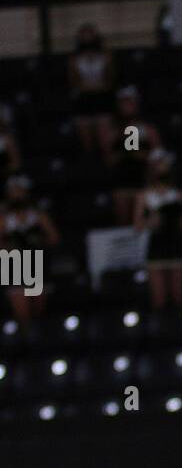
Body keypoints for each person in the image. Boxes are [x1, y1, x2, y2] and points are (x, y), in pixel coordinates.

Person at [133, 150, 182, 310]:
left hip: (175, 244)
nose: (161, 169)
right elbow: (137, 225)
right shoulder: (144, 195)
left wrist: (178, 217)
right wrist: (150, 221)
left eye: (164, 165)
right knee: (158, 297)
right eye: (158, 165)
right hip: (156, 246)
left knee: (178, 294)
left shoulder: (178, 194)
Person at [0, 174, 60, 324]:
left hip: (36, 261)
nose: (17, 194)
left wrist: (37, 240)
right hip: (14, 264)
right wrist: (12, 246)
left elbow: (54, 238)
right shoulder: (4, 218)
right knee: (23, 315)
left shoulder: (38, 216)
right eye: (13, 191)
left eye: (20, 191)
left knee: (38, 313)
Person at [108, 87, 163, 224]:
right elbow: (108, 158)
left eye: (129, 103)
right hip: (122, 182)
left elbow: (158, 156)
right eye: (123, 103)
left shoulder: (148, 130)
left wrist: (143, 156)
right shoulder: (114, 130)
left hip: (143, 181)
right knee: (123, 221)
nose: (126, 107)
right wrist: (125, 153)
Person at [67, 23, 115, 157]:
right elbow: (74, 83)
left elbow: (110, 80)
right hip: (84, 101)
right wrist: (91, 87)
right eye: (84, 35)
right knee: (87, 144)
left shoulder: (106, 56)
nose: (87, 39)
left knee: (105, 141)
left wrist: (95, 87)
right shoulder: (74, 59)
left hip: (101, 100)